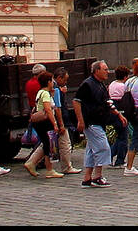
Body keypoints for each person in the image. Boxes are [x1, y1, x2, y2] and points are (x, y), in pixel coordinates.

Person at [74, 60, 128, 188]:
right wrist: (80, 120)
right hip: (91, 122)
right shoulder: (87, 84)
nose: (107, 72)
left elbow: (107, 102)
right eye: (105, 69)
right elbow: (76, 101)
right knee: (103, 147)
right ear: (96, 70)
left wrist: (118, 114)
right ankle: (97, 177)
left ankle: (87, 178)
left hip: (99, 121)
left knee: (91, 150)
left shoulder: (101, 85)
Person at [24, 71, 63, 178]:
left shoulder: (41, 92)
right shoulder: (45, 93)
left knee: (46, 143)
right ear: (48, 82)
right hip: (44, 122)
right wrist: (55, 124)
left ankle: (35, 164)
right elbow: (48, 109)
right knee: (48, 144)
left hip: (38, 122)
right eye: (51, 81)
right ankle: (49, 169)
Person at [51, 67, 77, 174]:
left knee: (46, 144)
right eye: (65, 80)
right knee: (65, 144)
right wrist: (61, 124)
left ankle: (32, 162)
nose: (65, 82)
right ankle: (67, 167)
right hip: (61, 120)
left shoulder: (54, 88)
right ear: (59, 78)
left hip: (56, 120)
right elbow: (58, 107)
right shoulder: (56, 89)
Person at [108, 66, 132, 166]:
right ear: (125, 76)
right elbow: (128, 99)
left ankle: (109, 155)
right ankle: (120, 159)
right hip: (121, 111)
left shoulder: (112, 84)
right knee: (123, 137)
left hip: (112, 110)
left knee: (120, 136)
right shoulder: (124, 87)